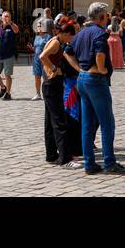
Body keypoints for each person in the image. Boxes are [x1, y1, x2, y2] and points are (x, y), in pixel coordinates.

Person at [73, 2, 125, 175]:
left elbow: (67, 51)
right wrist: (101, 68)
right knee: (107, 123)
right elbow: (99, 54)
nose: (107, 18)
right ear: (101, 17)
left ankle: (89, 163)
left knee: (87, 124)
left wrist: (79, 69)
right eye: (106, 16)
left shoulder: (81, 33)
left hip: (82, 79)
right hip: (96, 80)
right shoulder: (99, 34)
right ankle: (109, 162)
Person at [40, 20, 83, 168]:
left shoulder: (54, 40)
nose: (71, 40)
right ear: (65, 34)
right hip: (52, 85)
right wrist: (52, 68)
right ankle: (65, 159)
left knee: (49, 122)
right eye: (71, 36)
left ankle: (51, 154)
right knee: (60, 121)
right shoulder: (56, 43)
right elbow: (42, 57)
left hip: (48, 85)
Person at [0, 10, 20, 100]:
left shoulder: (12, 27)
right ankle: (3, 88)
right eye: (5, 16)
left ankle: (8, 93)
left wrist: (10, 23)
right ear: (2, 18)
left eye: (8, 16)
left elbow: (16, 30)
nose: (7, 18)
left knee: (7, 75)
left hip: (9, 55)